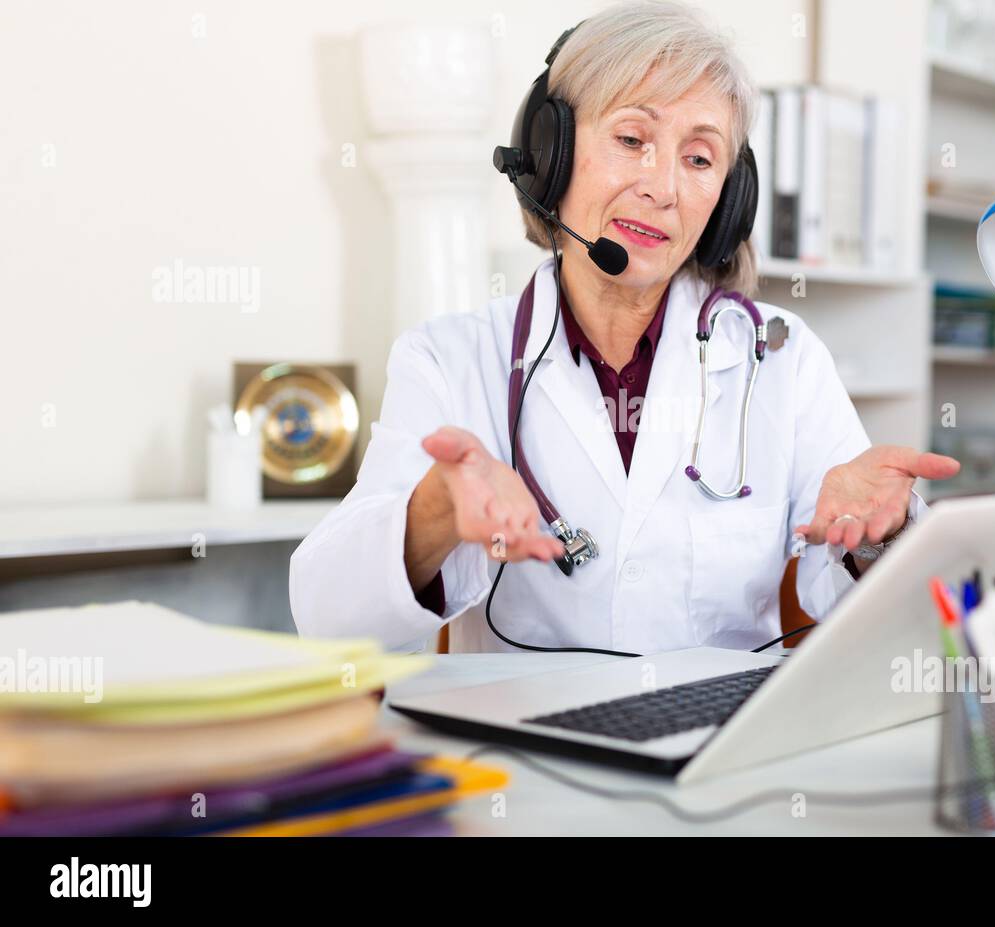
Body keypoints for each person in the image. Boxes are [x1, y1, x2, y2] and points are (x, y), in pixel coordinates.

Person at [290, 1, 959, 653]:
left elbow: (886, 621)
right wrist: (434, 510)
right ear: (549, 153)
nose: (662, 186)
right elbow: (326, 615)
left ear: (727, 200)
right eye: (633, 139)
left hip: (714, 748)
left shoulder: (779, 357)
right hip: (525, 750)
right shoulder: (450, 359)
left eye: (699, 159)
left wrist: (874, 533)